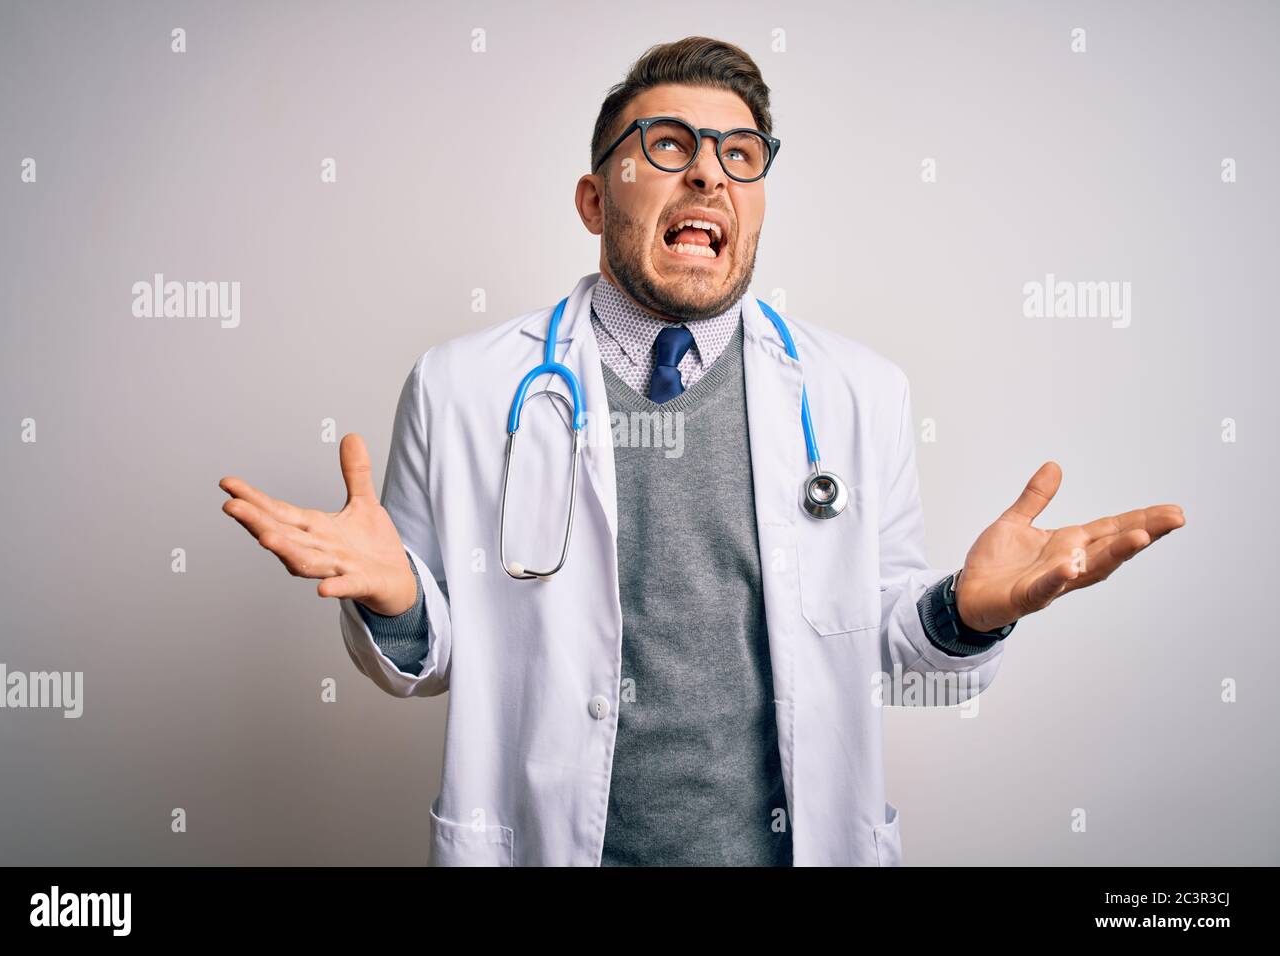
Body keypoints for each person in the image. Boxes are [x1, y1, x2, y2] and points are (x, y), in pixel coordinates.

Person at [218, 36, 1185, 866]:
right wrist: (397, 603)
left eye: (739, 153)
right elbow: (423, 664)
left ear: (757, 202)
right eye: (668, 145)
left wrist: (968, 615)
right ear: (595, 201)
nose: (709, 173)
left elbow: (892, 660)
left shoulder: (859, 393)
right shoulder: (461, 387)